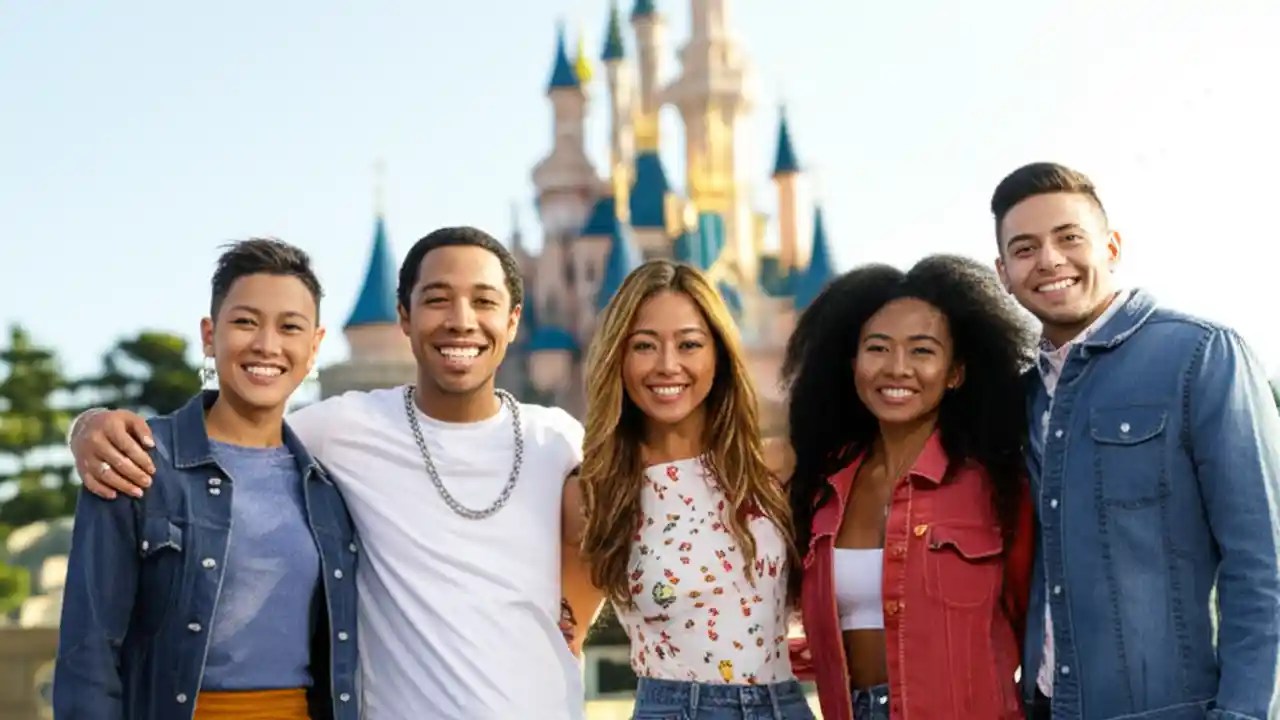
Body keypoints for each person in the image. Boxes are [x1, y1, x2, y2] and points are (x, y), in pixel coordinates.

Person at [64, 227, 587, 720]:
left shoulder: (558, 437)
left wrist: (574, 623)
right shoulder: (338, 433)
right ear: (402, 316)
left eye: (484, 301)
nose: (461, 320)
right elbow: (89, 650)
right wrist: (87, 427)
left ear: (515, 320)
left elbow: (619, 521)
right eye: (436, 299)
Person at [990, 162, 1280, 719]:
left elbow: (1263, 563)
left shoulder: (1201, 356)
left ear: (1112, 247)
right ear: (1003, 273)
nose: (1049, 260)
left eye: (1069, 237)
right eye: (1025, 249)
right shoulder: (1021, 398)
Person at [53, 239, 359, 720]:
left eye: (290, 327)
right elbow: (87, 654)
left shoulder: (327, 484)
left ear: (314, 345)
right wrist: (85, 424)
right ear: (209, 334)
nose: (266, 344)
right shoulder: (137, 459)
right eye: (245, 322)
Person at [782, 255, 1035, 720]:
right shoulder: (823, 492)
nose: (897, 368)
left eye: (922, 351)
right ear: (852, 363)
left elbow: (1032, 625)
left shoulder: (997, 486)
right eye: (878, 348)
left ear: (956, 371)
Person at [569, 259, 815, 720]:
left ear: (718, 355)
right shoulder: (594, 492)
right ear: (617, 358)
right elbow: (565, 635)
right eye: (644, 345)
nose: (668, 365)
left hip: (784, 705)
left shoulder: (772, 468)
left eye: (689, 344)